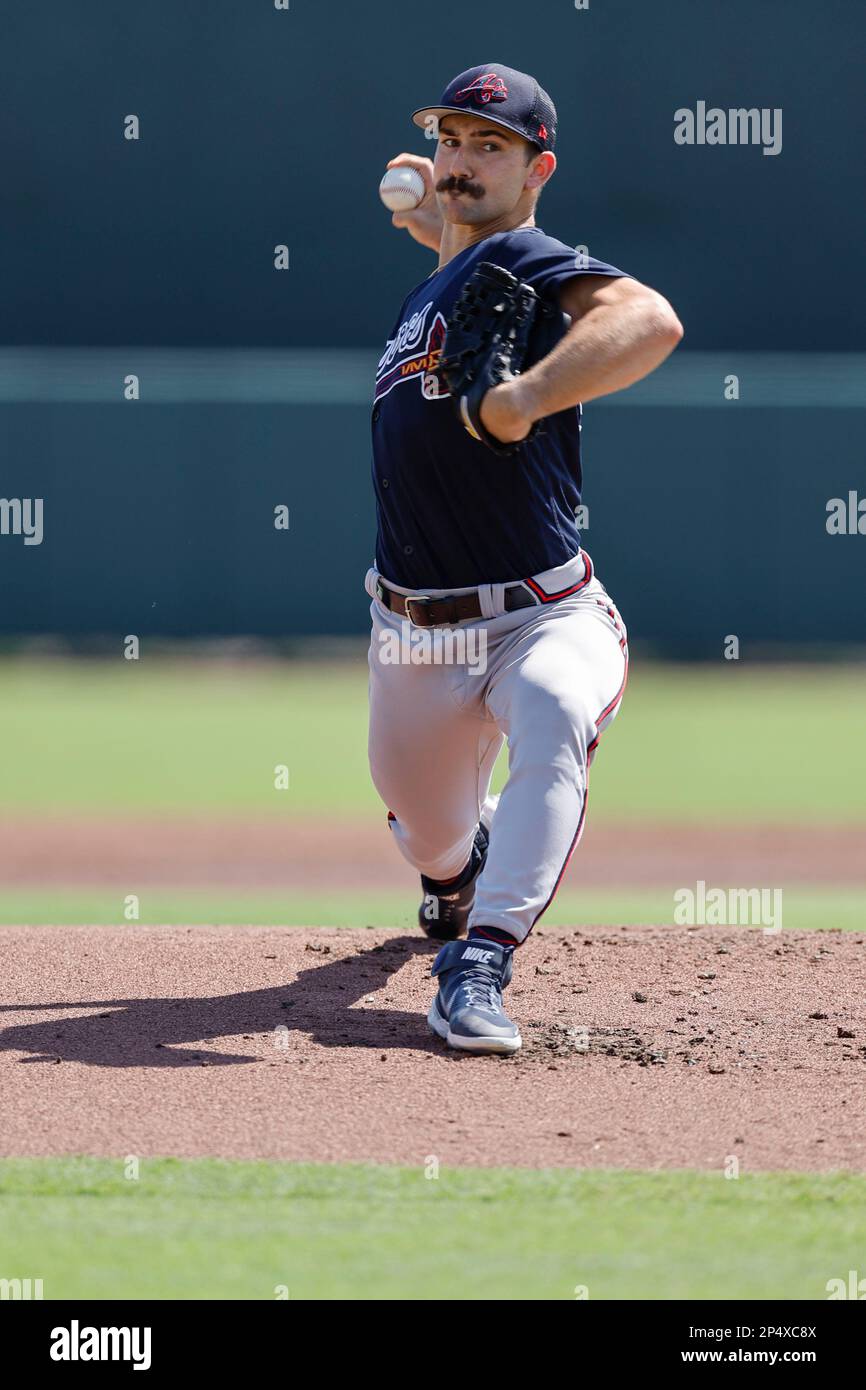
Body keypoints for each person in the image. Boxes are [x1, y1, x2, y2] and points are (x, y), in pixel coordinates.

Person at [366, 63, 683, 1054]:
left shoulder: (531, 261)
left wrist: (520, 399)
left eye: (490, 147)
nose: (461, 160)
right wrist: (436, 214)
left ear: (536, 167)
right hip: (410, 634)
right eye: (451, 141)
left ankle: (478, 965)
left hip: (544, 611)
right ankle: (459, 877)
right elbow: (447, 220)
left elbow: (646, 320)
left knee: (550, 714)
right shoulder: (445, 277)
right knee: (428, 838)